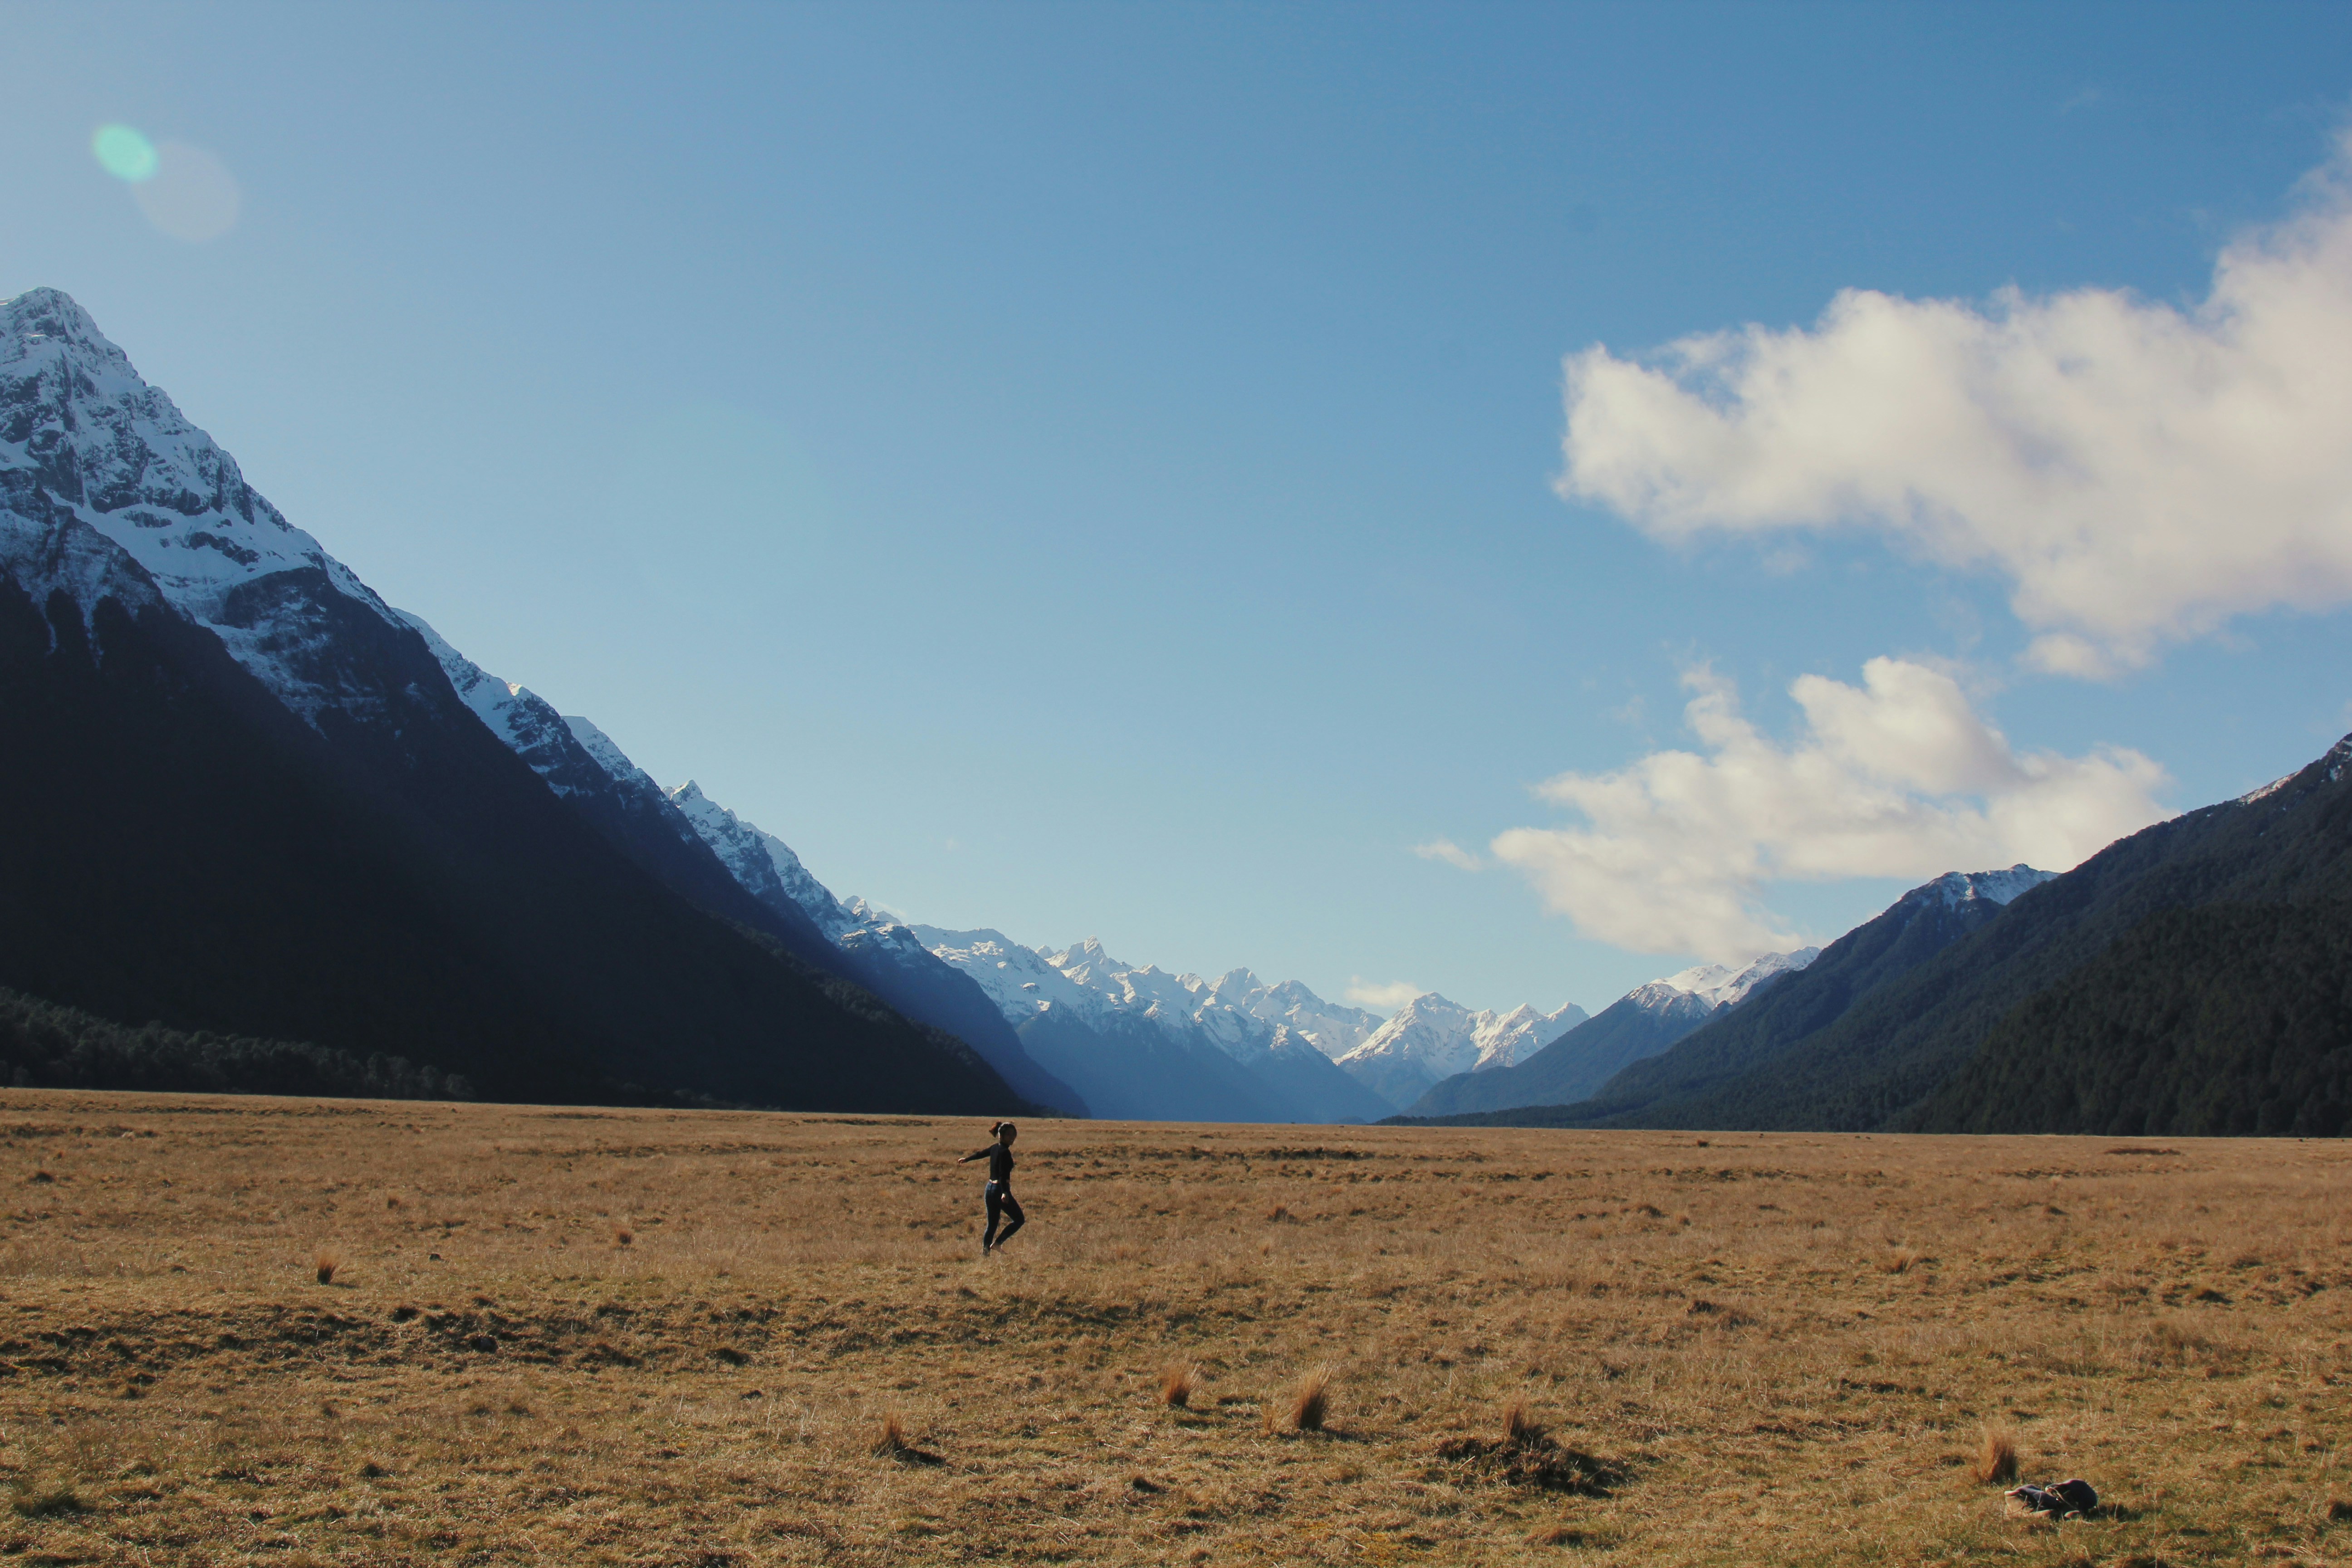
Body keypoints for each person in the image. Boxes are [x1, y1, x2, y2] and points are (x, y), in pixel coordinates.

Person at [956, 1120, 1024, 1254]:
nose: (1012, 1137)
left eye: (1014, 1134)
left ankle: (985, 1253)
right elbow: (1003, 1174)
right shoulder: (1005, 1152)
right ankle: (998, 1243)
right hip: (1000, 1190)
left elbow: (980, 1154)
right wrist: (1005, 1192)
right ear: (1001, 1136)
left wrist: (967, 1159)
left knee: (992, 1225)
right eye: (1009, 1135)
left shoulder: (995, 1148)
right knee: (1019, 1220)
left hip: (989, 1189)